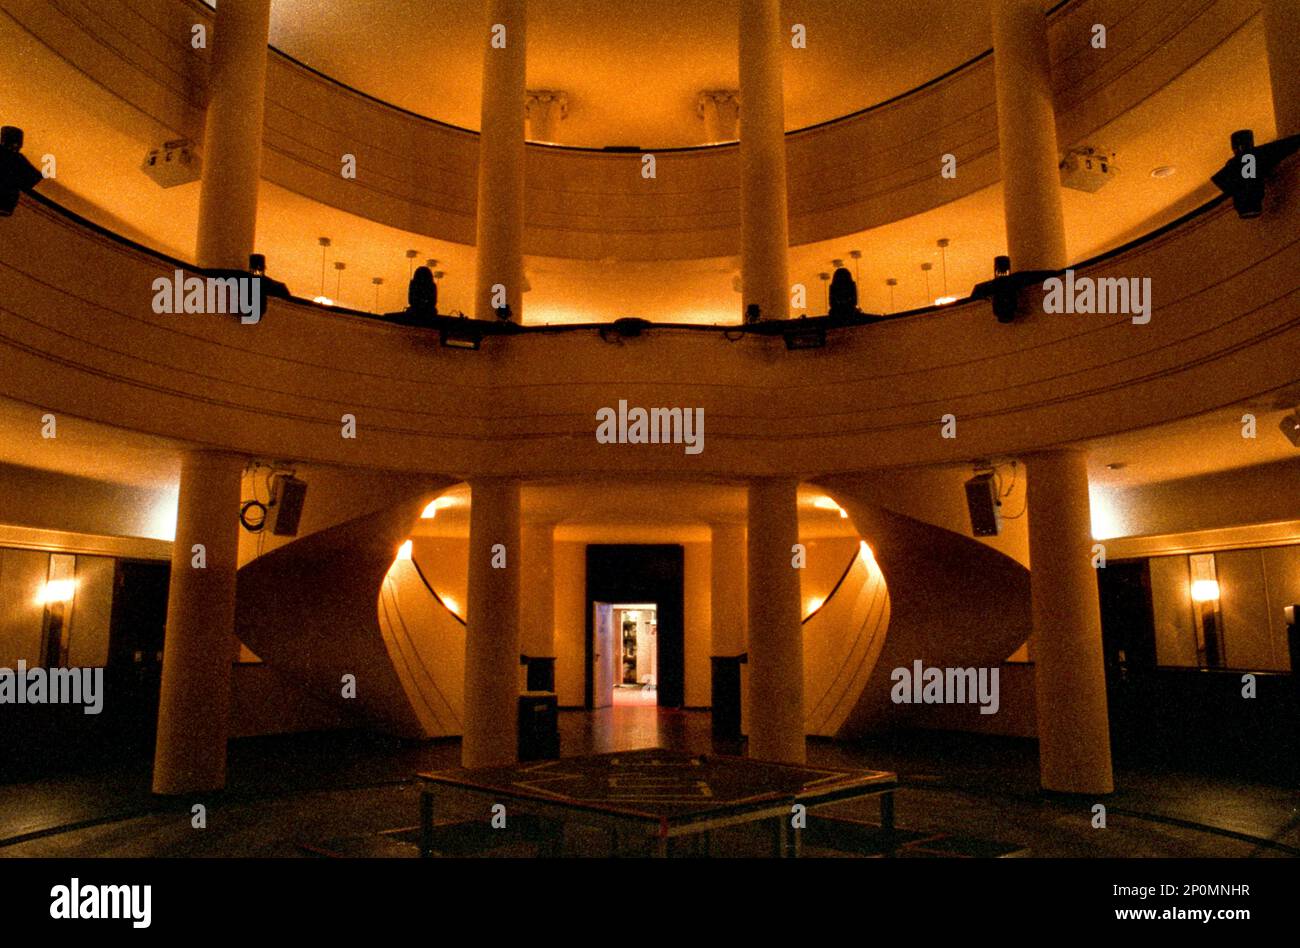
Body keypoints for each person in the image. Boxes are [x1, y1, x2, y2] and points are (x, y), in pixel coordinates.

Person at [0, 126, 44, 217]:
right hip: (6, 202)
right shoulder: (18, 159)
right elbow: (35, 177)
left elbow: (35, 177)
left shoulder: (17, 159)